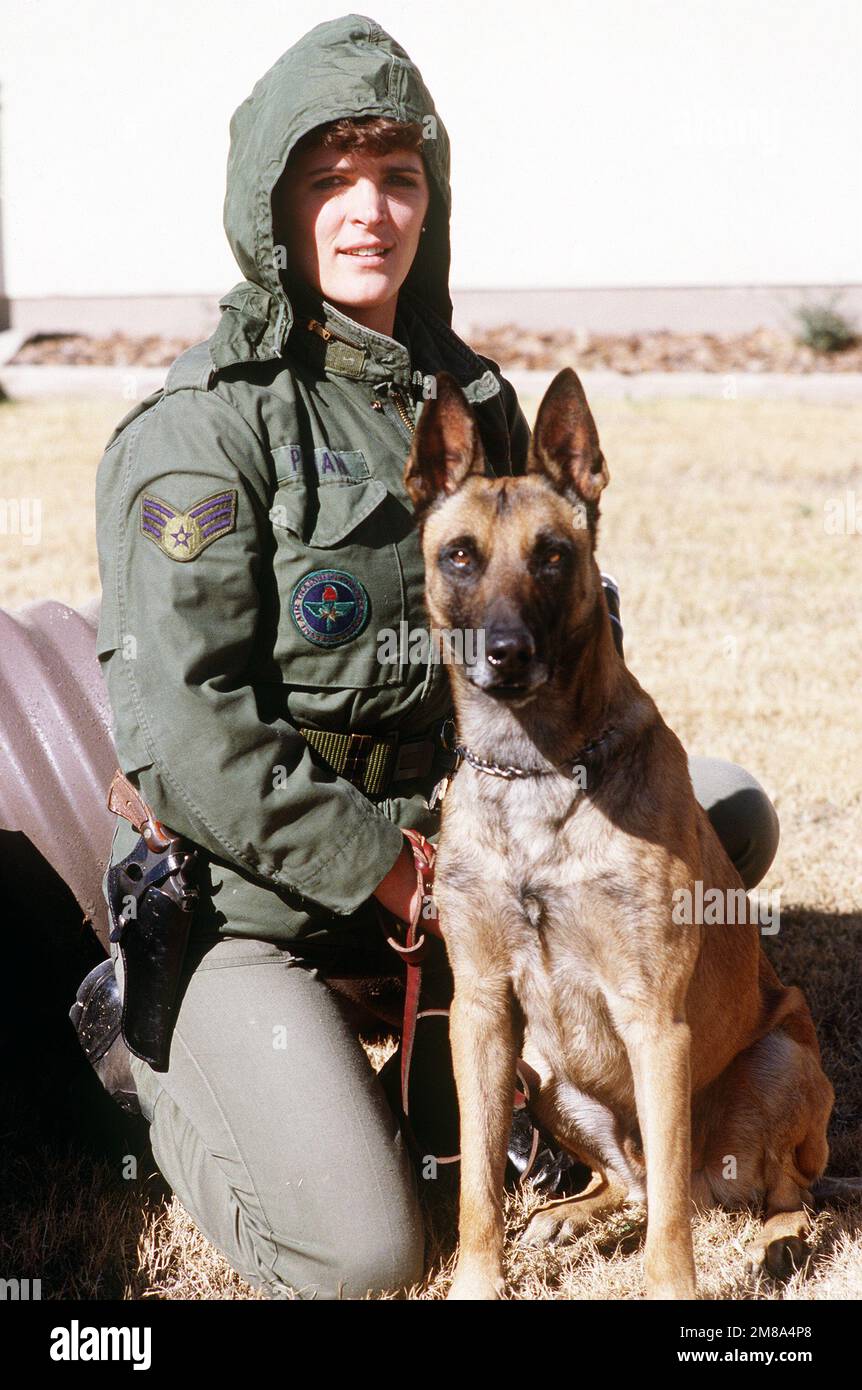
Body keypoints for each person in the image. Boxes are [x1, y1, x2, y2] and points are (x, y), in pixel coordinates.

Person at [84, 15, 779, 1299]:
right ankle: (153, 1078)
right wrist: (391, 877)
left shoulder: (469, 393)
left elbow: (551, 630)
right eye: (329, 180)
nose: (368, 211)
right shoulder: (208, 428)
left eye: (397, 178)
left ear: (429, 201)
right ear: (274, 207)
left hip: (470, 851)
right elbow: (189, 736)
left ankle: (495, 1054)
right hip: (272, 905)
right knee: (363, 1256)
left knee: (723, 812)